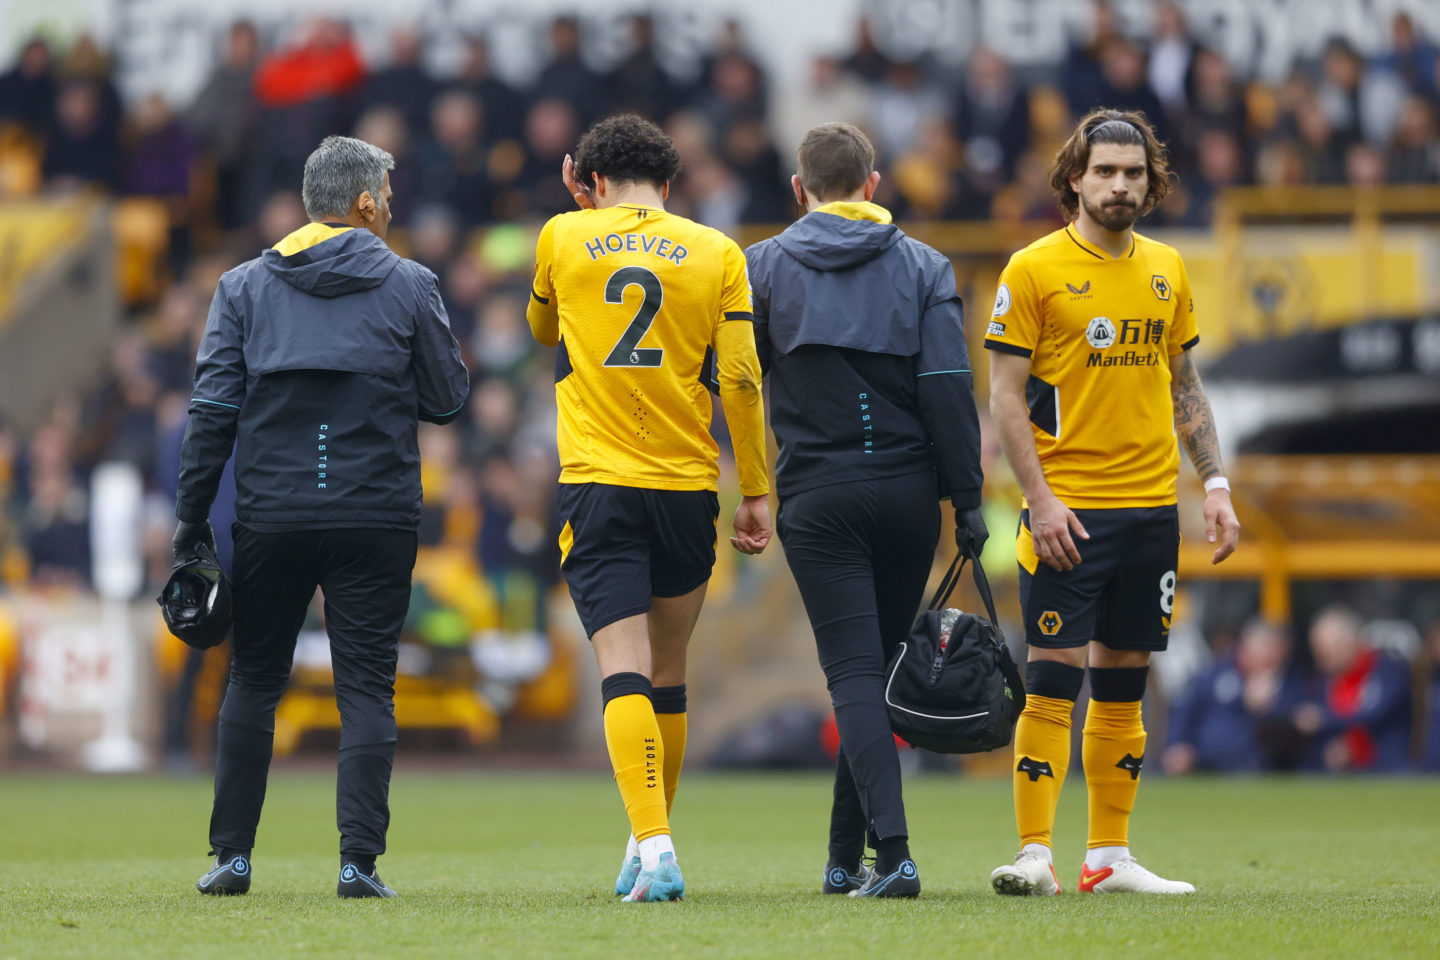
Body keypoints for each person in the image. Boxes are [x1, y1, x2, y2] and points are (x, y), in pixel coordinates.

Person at [175, 136, 469, 898]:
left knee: (253, 680)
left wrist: (189, 523)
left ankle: (232, 859)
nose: (395, 206)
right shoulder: (410, 283)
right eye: (389, 194)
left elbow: (210, 414)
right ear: (364, 202)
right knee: (367, 688)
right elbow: (446, 400)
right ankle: (357, 865)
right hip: (376, 514)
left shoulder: (241, 287)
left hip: (272, 514)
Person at [984, 108, 1240, 896]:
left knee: (1125, 681)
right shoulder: (1032, 269)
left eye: (1134, 173)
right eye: (1106, 172)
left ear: (1150, 182)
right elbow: (1004, 395)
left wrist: (1218, 486)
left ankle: (1108, 857)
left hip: (1150, 513)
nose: (1120, 185)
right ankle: (1035, 851)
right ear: (1074, 178)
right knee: (1053, 679)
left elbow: (1185, 387)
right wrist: (1041, 500)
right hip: (1069, 513)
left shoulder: (1167, 268)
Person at [525, 114, 771, 902]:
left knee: (622, 669)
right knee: (668, 674)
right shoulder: (717, 252)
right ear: (670, 183)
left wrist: (578, 214)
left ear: (589, 180)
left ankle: (656, 847)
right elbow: (739, 379)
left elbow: (540, 327)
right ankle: (649, 839)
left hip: (599, 480)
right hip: (687, 485)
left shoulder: (564, 235)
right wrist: (758, 488)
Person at [746, 122, 986, 898]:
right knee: (874, 673)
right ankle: (845, 857)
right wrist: (969, 499)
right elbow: (949, 387)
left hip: (820, 494)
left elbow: (742, 388)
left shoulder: (765, 269)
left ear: (798, 189)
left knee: (853, 675)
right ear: (874, 185)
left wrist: (750, 484)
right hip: (911, 494)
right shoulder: (925, 267)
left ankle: (896, 854)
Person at [1163, 618, 1305, 773]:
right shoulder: (1215, 672)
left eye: (1275, 649)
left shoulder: (1289, 683)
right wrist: (1176, 744)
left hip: (1257, 769)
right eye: (1264, 646)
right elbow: (1186, 709)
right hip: (1203, 765)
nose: (1268, 655)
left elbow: (1297, 721)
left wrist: (1265, 709)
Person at [1294, 605, 1411, 772]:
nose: (1320, 658)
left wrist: (1323, 719)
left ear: (1349, 642)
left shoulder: (1385, 669)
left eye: (1327, 650)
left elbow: (1373, 715)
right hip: (1339, 774)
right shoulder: (1324, 681)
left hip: (1387, 770)